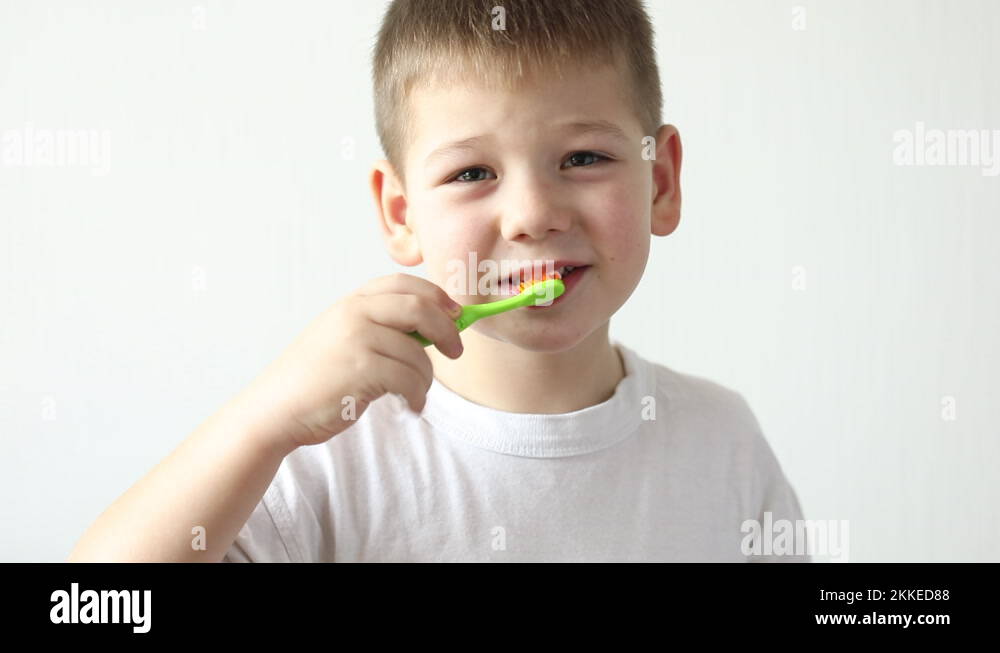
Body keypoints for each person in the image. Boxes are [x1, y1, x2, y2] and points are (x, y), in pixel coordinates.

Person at [67, 0, 809, 563]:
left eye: (583, 157)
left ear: (663, 180)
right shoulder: (329, 456)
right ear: (401, 212)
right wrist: (267, 418)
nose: (531, 214)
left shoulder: (724, 442)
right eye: (472, 172)